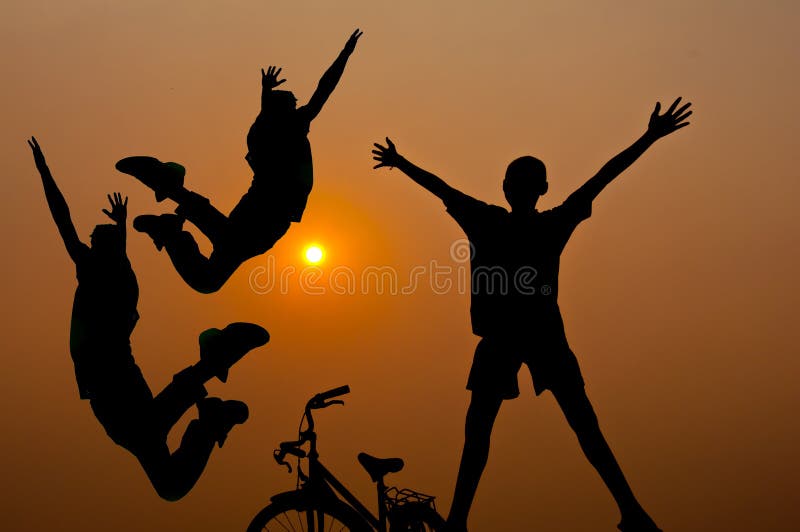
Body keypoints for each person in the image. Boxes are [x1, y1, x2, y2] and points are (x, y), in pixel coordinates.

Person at [372, 97, 692, 531]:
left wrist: (400, 162)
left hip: (509, 339)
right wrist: (648, 138)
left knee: (480, 435)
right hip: (541, 337)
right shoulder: (548, 225)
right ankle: (630, 510)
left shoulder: (487, 221)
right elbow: (600, 180)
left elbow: (441, 188)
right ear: (542, 189)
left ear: (507, 187)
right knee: (584, 427)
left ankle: (460, 521)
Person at [28, 136, 270, 500]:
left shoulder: (97, 272)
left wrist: (44, 171)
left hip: (111, 387)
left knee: (151, 433)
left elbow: (63, 221)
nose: (88, 241)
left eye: (94, 239)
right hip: (118, 384)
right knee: (168, 480)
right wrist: (122, 226)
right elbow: (100, 242)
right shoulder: (120, 273)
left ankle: (210, 386)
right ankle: (209, 410)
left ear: (98, 248)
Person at [116, 29, 363, 293]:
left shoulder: (264, 132)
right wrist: (345, 55)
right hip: (265, 216)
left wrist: (265, 93)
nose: (297, 105)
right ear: (284, 111)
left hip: (262, 218)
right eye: (292, 103)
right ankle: (171, 197)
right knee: (225, 243)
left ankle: (172, 217)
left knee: (210, 277)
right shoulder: (287, 128)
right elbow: (323, 90)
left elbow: (301, 101)